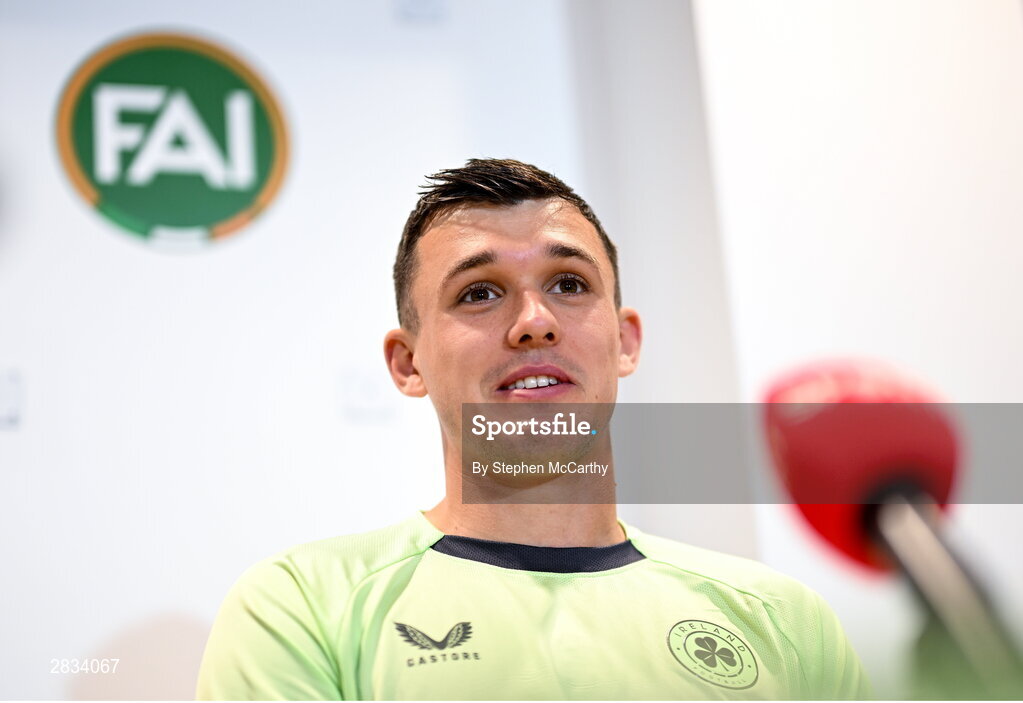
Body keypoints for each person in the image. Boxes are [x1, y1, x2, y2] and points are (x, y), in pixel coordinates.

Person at [196, 159, 871, 700]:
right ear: (408, 363)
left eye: (569, 284)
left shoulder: (781, 619)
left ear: (625, 341)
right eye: (479, 292)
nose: (534, 321)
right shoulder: (304, 606)